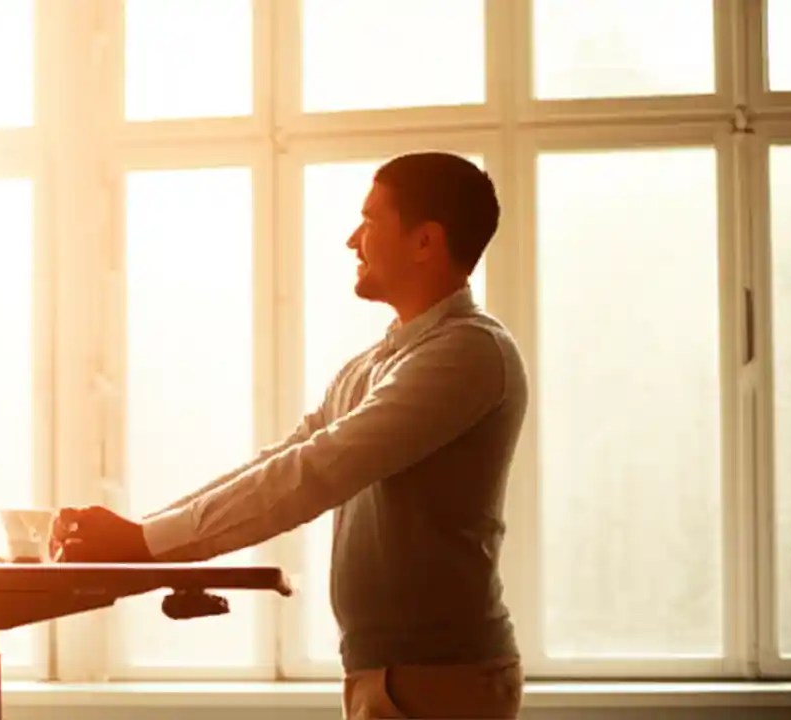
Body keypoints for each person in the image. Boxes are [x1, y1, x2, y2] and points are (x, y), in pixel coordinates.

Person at [52, 151, 528, 719]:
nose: (354, 240)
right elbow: (281, 459)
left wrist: (146, 543)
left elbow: (317, 472)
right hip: (390, 673)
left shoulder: (468, 353)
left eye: (371, 220)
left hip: (440, 679)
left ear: (425, 241)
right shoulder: (374, 364)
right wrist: (141, 538)